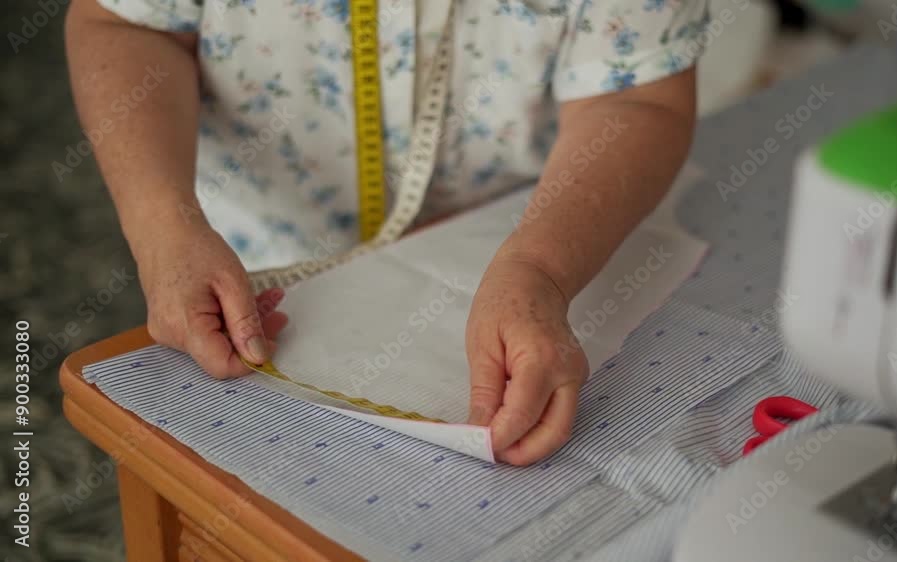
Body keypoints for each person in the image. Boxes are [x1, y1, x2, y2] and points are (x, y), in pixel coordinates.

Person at [65, 0, 709, 465]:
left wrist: (541, 268)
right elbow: (122, 20)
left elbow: (636, 96)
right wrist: (161, 227)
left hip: (526, 247)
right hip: (241, 257)